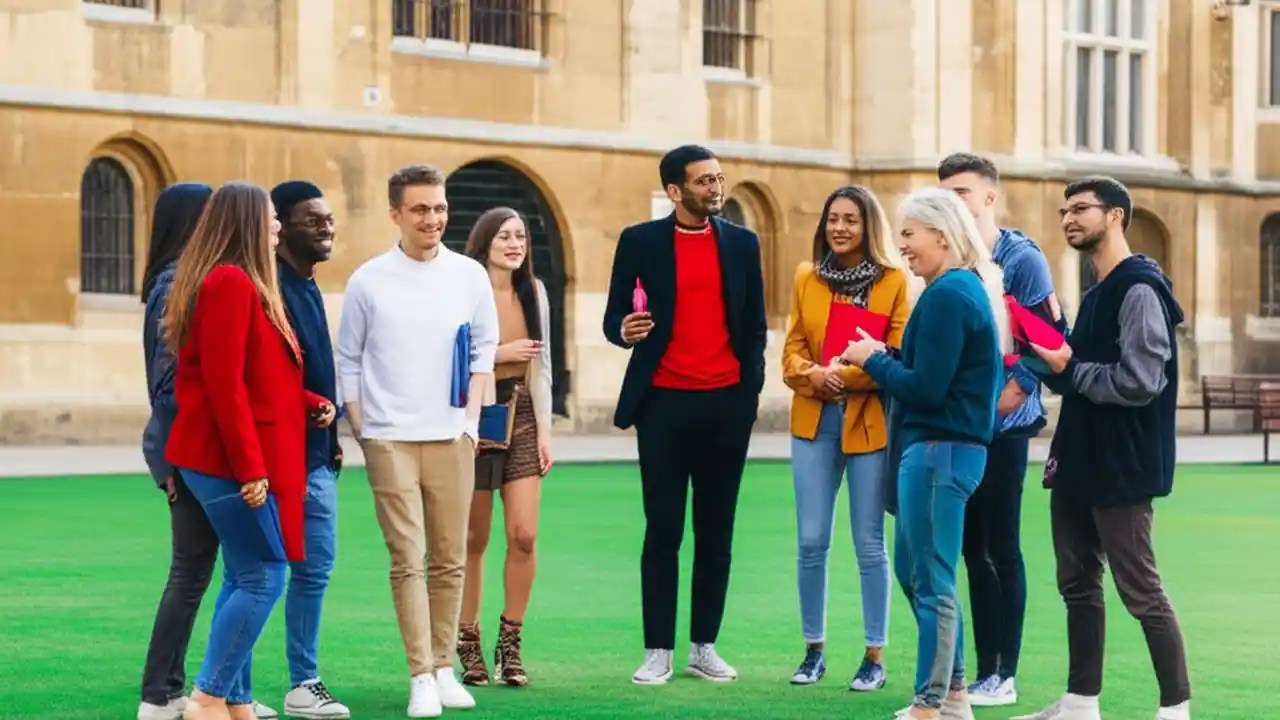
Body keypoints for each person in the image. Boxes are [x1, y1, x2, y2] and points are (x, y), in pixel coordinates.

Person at [1013, 176, 1190, 720]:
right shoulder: (1096, 290)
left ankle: (1175, 708)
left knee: (1140, 589)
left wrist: (1072, 367)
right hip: (1079, 461)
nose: (1069, 218)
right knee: (1077, 584)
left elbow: (1140, 381)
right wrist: (1047, 357)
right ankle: (1080, 702)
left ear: (1115, 216)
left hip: (1123, 464)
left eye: (1082, 208)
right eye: (1065, 209)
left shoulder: (1138, 288)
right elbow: (1083, 375)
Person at [164, 182, 335, 720]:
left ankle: (234, 701)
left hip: (233, 455)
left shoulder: (239, 282)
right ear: (245, 224)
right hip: (227, 459)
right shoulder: (231, 282)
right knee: (266, 575)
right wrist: (250, 469)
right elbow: (223, 384)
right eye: (270, 218)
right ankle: (208, 696)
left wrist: (307, 400)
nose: (278, 226)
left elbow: (249, 371)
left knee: (244, 575)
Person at [336, 164, 498, 718]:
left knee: (450, 558)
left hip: (452, 434)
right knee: (408, 558)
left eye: (440, 208)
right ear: (396, 215)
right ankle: (420, 675)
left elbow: (483, 350)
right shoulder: (368, 280)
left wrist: (471, 425)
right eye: (421, 209)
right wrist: (362, 427)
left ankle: (444, 666)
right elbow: (348, 359)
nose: (433, 219)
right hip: (389, 439)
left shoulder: (470, 276)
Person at [602, 144, 767, 685]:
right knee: (664, 530)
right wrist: (624, 329)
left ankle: (703, 646)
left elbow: (754, 329)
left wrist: (746, 400)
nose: (715, 188)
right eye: (703, 181)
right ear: (675, 191)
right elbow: (613, 319)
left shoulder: (743, 244)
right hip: (664, 405)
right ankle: (658, 651)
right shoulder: (639, 241)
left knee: (717, 532)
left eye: (719, 179)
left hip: (726, 405)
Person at [840, 187, 1005, 720]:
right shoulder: (954, 291)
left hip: (941, 451)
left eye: (908, 234)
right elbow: (935, 372)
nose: (902, 246)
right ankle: (952, 693)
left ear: (940, 233)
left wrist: (872, 360)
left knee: (930, 577)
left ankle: (932, 703)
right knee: (916, 570)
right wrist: (885, 354)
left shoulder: (948, 295)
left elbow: (928, 388)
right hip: (939, 450)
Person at [938, 152, 1065, 707]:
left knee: (999, 547)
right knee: (968, 550)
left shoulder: (1022, 258)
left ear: (990, 197)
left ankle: (1003, 672)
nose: (953, 202)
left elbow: (1052, 338)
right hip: (959, 424)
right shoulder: (949, 258)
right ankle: (977, 669)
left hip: (1005, 425)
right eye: (945, 193)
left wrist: (1009, 393)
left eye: (962, 192)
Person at [780, 185, 909, 689]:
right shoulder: (806, 277)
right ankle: (813, 649)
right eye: (833, 218)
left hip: (866, 422)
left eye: (850, 220)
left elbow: (895, 356)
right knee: (811, 540)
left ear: (868, 226)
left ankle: (874, 655)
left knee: (868, 542)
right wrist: (813, 375)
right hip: (814, 419)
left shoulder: (894, 281)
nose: (839, 228)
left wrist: (845, 376)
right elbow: (790, 352)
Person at [456, 207, 554, 688]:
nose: (515, 244)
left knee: (524, 534)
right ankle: (466, 639)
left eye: (520, 236)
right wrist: (497, 356)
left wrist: (547, 434)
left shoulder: (533, 292)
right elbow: (450, 358)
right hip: (477, 416)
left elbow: (545, 366)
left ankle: (510, 644)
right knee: (473, 540)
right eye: (504, 236)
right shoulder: (462, 288)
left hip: (525, 416)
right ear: (484, 242)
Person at [268, 181, 351, 719]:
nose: (325, 227)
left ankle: (304, 682)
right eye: (310, 220)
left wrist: (334, 432)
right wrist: (306, 404)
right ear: (279, 229)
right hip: (277, 457)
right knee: (260, 576)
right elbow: (263, 374)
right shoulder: (268, 287)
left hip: (317, 454)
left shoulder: (309, 284)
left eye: (327, 218)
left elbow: (318, 365)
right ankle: (228, 687)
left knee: (314, 569)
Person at [138, 182, 220, 720]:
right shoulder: (175, 286)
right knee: (192, 573)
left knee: (199, 572)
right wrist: (169, 460)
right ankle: (164, 692)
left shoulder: (181, 283)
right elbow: (169, 384)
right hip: (188, 454)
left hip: (184, 450)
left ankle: (195, 689)